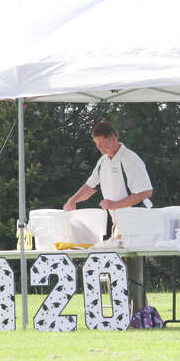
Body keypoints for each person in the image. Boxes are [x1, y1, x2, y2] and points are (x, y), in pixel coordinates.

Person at [62, 120, 154, 311]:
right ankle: (123, 312)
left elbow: (145, 193)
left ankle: (138, 313)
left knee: (134, 273)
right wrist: (73, 200)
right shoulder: (103, 162)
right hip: (118, 223)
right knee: (118, 268)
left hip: (137, 221)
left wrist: (115, 205)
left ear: (113, 138)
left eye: (102, 144)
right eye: (96, 144)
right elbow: (90, 186)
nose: (100, 148)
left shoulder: (130, 159)